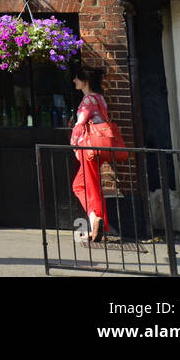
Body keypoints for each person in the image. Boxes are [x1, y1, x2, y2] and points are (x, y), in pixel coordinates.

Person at [71, 65, 109, 243]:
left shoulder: (87, 101)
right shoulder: (100, 99)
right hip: (101, 147)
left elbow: (80, 125)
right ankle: (99, 225)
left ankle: (95, 221)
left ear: (85, 81)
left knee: (82, 186)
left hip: (88, 149)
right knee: (88, 185)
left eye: (77, 78)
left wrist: (74, 145)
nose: (74, 81)